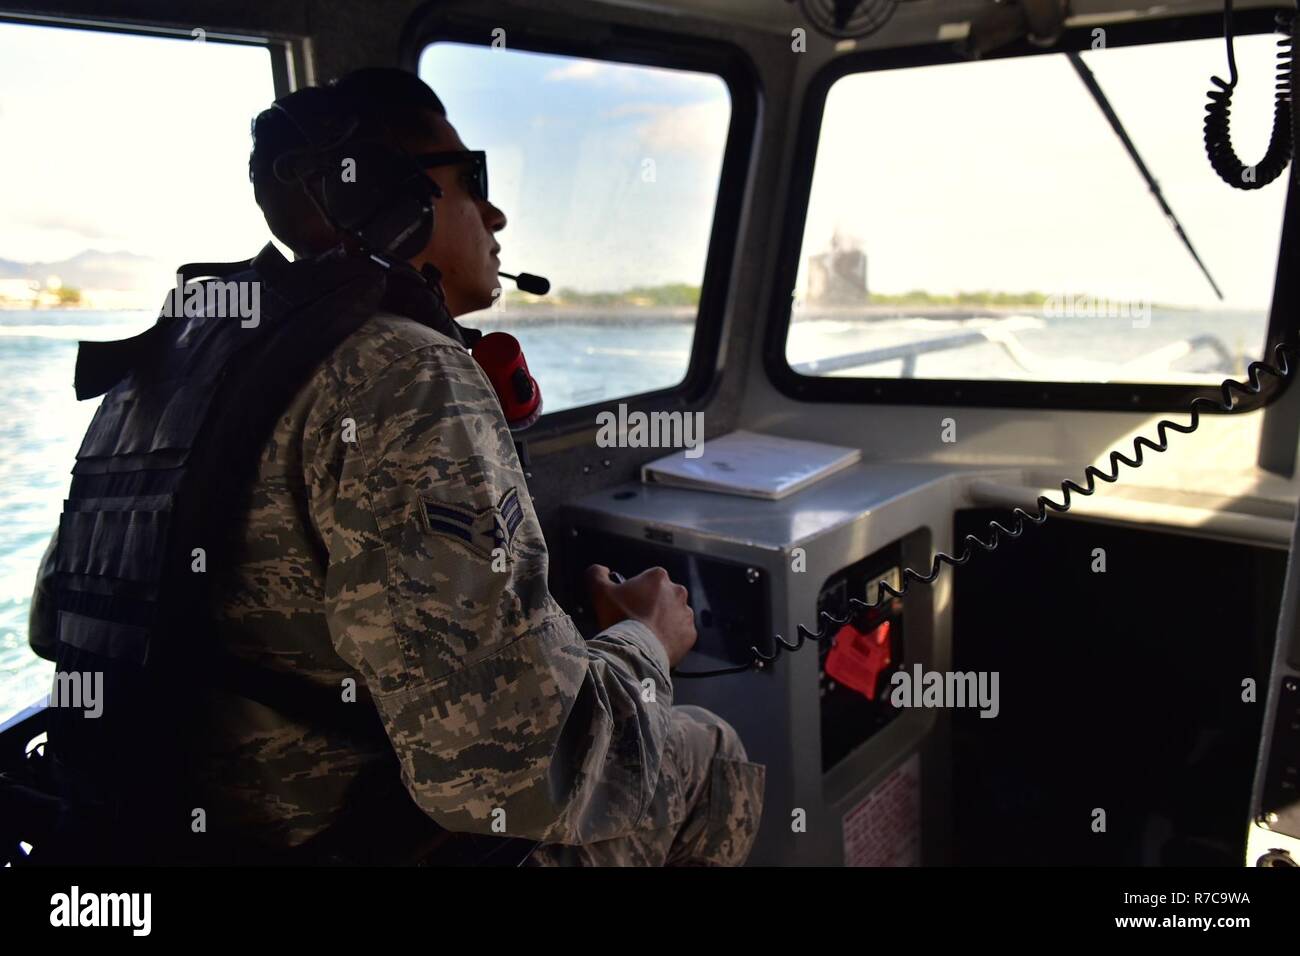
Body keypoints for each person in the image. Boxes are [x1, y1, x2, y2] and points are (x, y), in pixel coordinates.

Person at [27, 67, 764, 866]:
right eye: (470, 180)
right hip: (348, 849)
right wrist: (645, 642)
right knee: (710, 754)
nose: (497, 213)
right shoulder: (403, 369)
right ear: (384, 194)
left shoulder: (162, 363)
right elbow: (514, 773)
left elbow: (52, 621)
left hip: (124, 839)